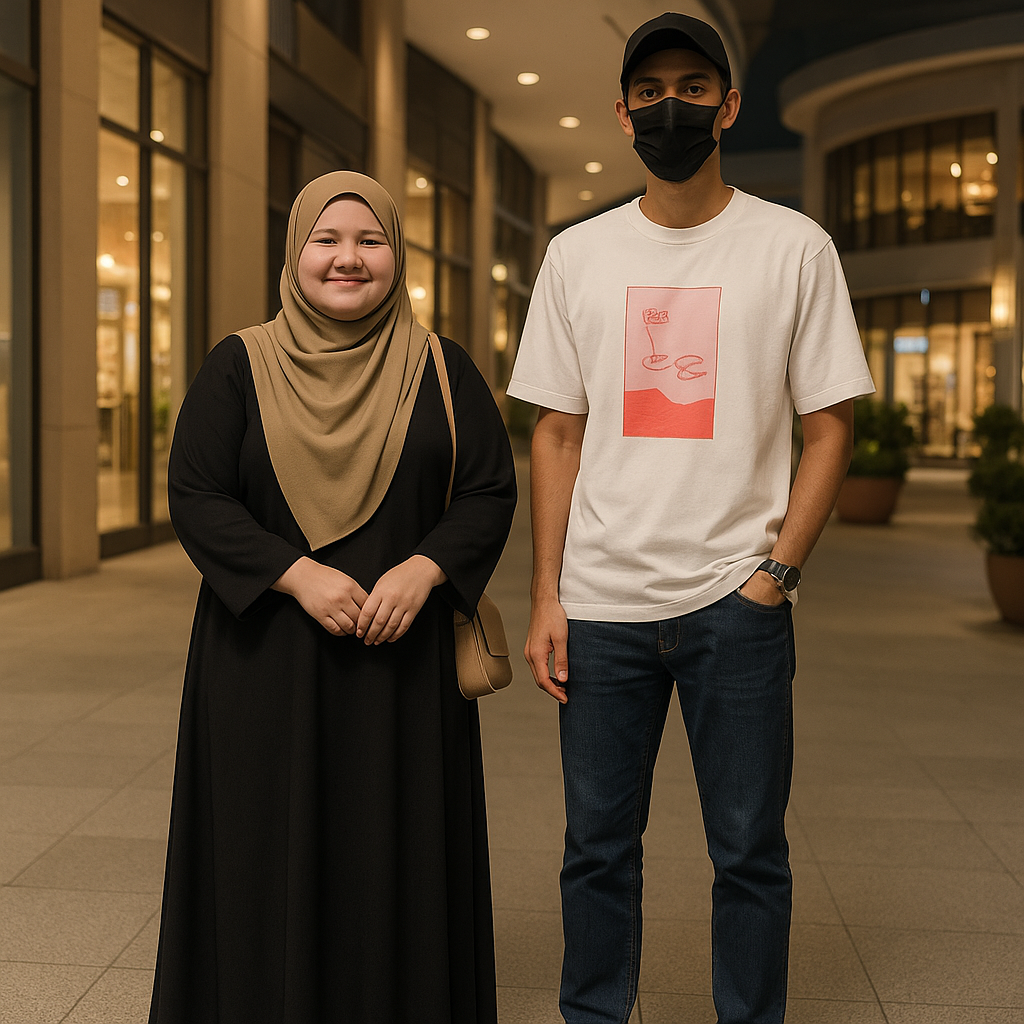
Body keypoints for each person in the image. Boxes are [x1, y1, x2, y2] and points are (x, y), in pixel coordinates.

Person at [506, 13, 874, 1024]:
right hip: (602, 605)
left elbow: (830, 424)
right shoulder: (578, 254)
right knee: (595, 848)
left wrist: (776, 577)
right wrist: (546, 594)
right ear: (622, 113)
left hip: (736, 606)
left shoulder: (792, 246)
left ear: (729, 105)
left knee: (750, 850)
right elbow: (554, 433)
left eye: (695, 86)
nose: (675, 104)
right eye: (653, 89)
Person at [150, 171, 516, 1024]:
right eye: (327, 240)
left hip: (402, 666)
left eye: (370, 241)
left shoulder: (442, 367)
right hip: (265, 661)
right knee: (261, 844)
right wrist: (296, 572)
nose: (347, 259)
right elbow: (197, 494)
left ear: (396, 253)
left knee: (394, 846)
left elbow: (488, 491)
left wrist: (424, 569)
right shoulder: (238, 365)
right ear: (295, 253)